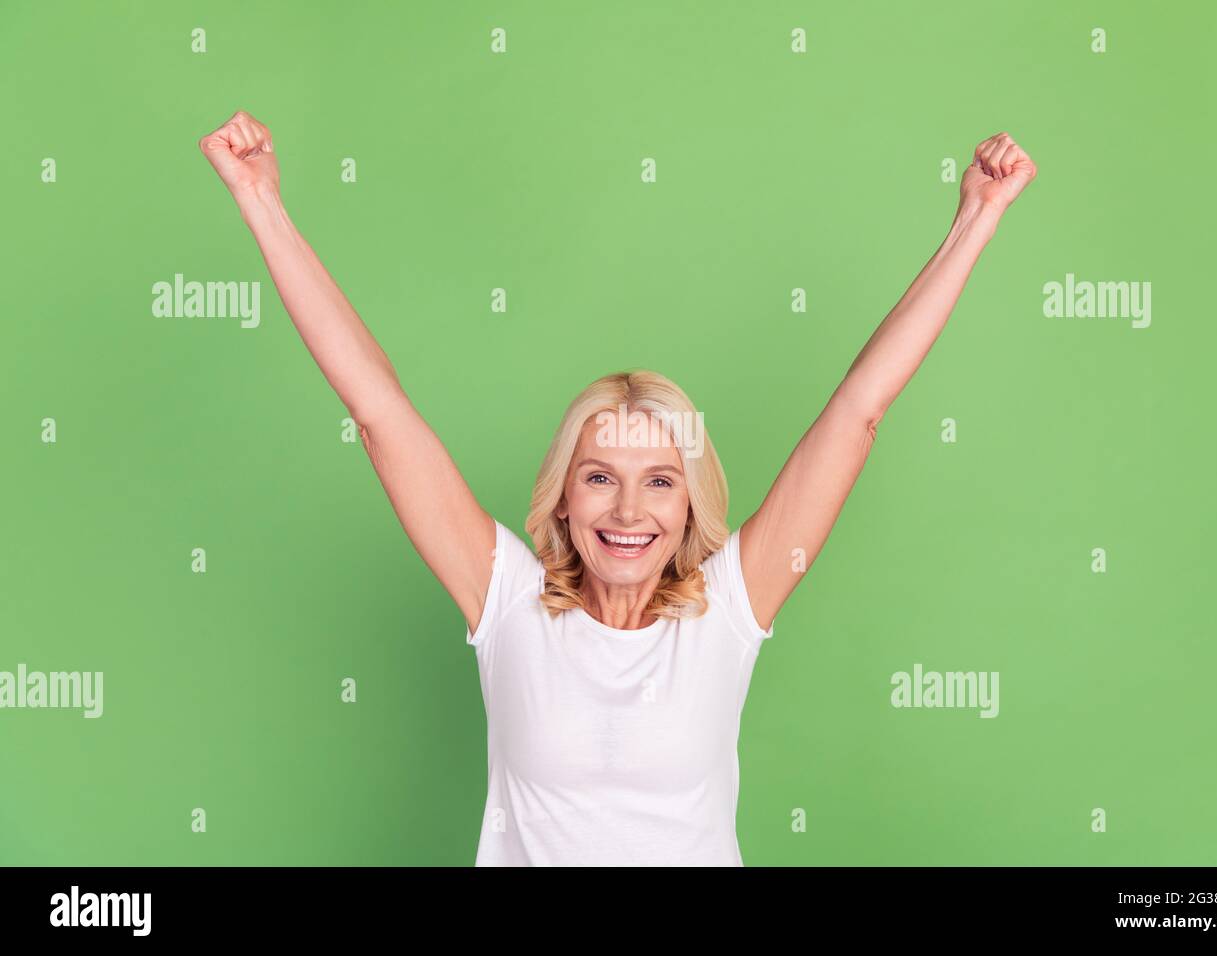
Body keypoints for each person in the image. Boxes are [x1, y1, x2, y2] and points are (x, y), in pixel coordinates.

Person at [199, 111, 1036, 865]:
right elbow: (378, 412)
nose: (629, 512)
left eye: (660, 483)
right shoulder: (506, 601)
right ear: (563, 496)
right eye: (600, 478)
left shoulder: (729, 608)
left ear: (688, 505)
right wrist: (262, 203)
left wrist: (976, 219)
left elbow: (859, 411)